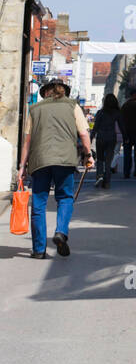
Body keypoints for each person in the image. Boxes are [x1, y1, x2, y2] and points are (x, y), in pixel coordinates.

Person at [17, 80, 94, 259]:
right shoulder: (73, 106)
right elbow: (84, 133)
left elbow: (27, 142)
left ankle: (38, 250)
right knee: (65, 197)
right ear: (64, 93)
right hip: (65, 160)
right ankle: (60, 232)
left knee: (38, 203)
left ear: (45, 93)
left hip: (40, 161)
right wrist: (88, 155)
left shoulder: (35, 109)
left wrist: (22, 166)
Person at [92, 92, 124, 190]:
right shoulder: (117, 113)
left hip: (101, 137)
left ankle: (99, 176)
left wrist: (91, 137)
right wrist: (126, 137)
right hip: (111, 137)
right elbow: (122, 126)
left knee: (100, 159)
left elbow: (95, 127)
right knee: (108, 161)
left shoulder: (100, 112)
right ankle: (107, 182)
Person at [119, 88, 136, 178]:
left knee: (127, 154)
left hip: (126, 133)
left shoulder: (124, 105)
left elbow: (121, 120)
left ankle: (126, 172)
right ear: (134, 95)